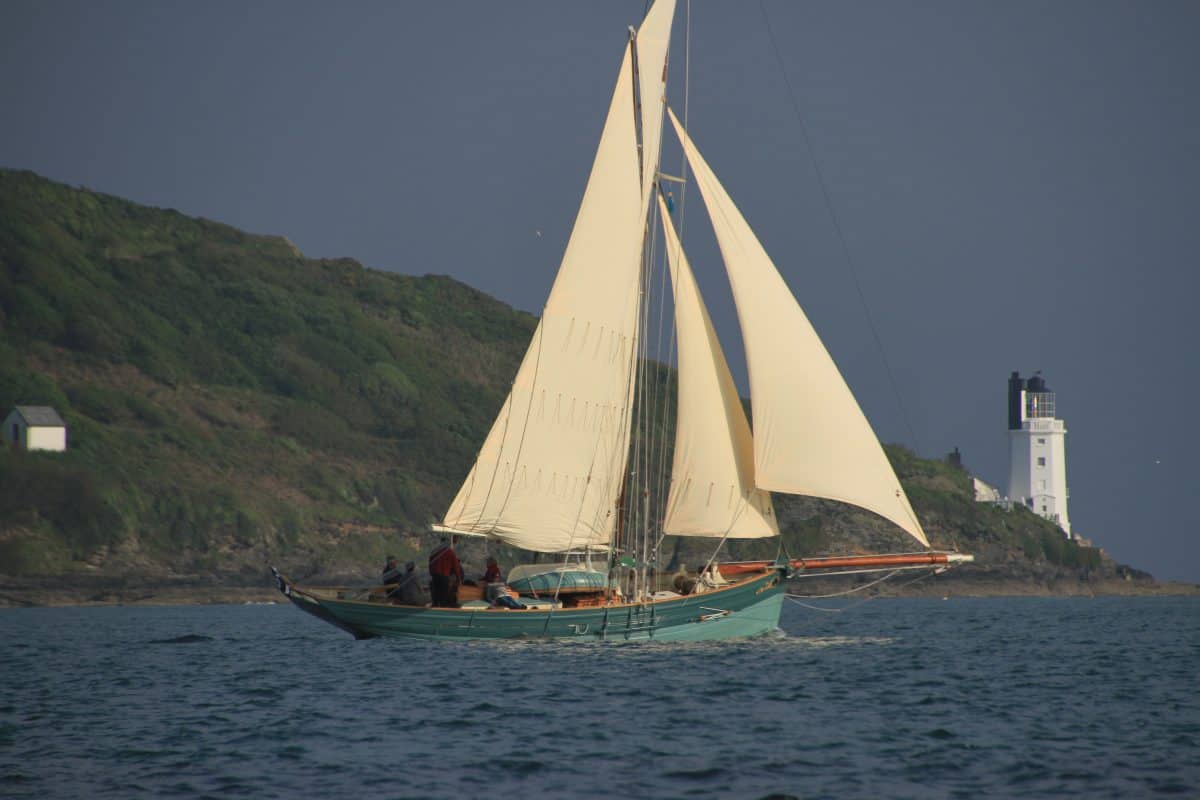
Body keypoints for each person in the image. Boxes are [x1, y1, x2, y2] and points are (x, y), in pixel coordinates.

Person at [428, 536, 464, 607]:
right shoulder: (450, 552)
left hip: (435, 576)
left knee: (435, 595)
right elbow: (456, 567)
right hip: (444, 577)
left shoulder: (434, 552)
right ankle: (443, 608)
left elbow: (430, 564)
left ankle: (434, 607)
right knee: (443, 596)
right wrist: (459, 579)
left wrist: (432, 574)